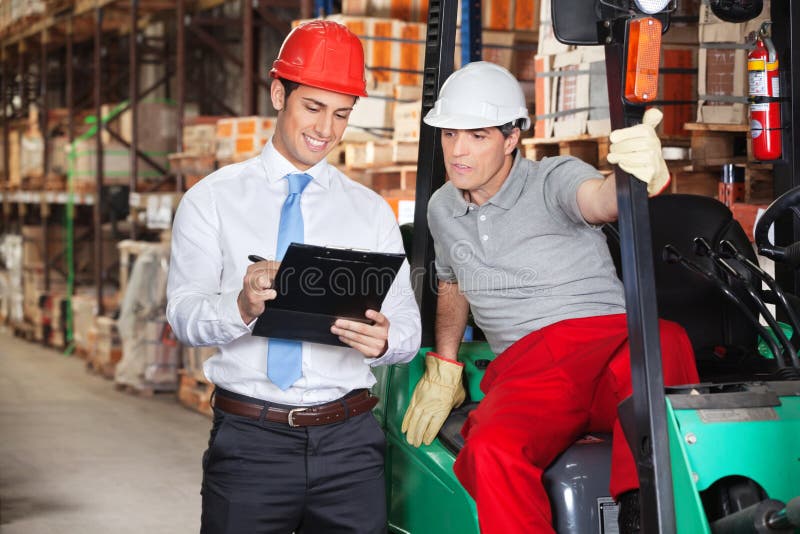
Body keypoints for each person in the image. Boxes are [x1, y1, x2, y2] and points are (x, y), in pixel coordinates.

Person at [400, 61, 699, 534]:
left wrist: (632, 181)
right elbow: (451, 281)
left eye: (477, 136)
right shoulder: (441, 207)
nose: (458, 151)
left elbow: (598, 199)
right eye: (449, 135)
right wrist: (445, 361)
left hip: (605, 343)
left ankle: (645, 510)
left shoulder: (553, 178)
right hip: (529, 368)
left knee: (665, 342)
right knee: (491, 451)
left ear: (511, 138)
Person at [167, 20, 421, 534]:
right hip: (251, 444)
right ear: (279, 92)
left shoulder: (370, 212)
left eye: (342, 114)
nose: (325, 129)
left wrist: (383, 341)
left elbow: (408, 331)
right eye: (313, 107)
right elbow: (183, 318)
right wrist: (240, 305)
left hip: (350, 445)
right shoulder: (211, 201)